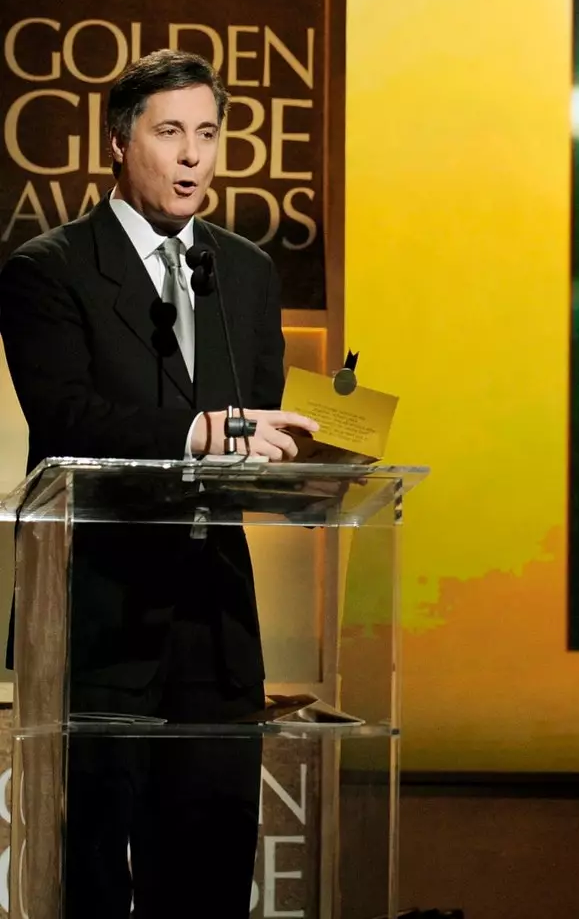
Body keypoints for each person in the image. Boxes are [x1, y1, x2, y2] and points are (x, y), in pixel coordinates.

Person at [0, 49, 317, 916]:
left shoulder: (246, 272)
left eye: (208, 135)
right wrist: (196, 430)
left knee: (210, 876)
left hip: (213, 619)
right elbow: (66, 416)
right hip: (97, 616)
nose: (192, 157)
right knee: (92, 876)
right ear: (117, 141)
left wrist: (294, 456)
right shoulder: (47, 269)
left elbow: (255, 417)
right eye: (170, 132)